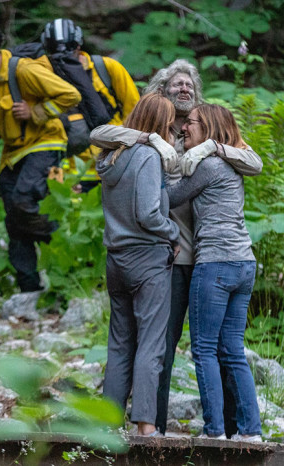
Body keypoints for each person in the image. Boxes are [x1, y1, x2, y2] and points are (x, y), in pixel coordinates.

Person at [90, 59, 262, 435]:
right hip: (167, 253)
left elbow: (253, 160)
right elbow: (100, 133)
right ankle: (157, 424)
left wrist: (211, 148)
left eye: (189, 84)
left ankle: (233, 428)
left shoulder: (204, 133)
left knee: (214, 346)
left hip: (204, 256)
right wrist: (150, 138)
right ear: (161, 92)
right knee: (162, 345)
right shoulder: (152, 135)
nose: (184, 89)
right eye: (176, 84)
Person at [0, 19, 81, 293]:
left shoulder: (24, 70)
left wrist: (36, 112)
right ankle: (29, 288)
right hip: (12, 153)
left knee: (24, 199)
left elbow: (71, 95)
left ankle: (58, 239)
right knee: (13, 219)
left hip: (45, 142)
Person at [166, 103, 262, 442]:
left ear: (207, 127)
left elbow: (170, 198)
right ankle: (251, 432)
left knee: (204, 349)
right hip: (244, 263)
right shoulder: (231, 162)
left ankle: (215, 432)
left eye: (190, 123)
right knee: (233, 349)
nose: (183, 129)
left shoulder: (207, 165)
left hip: (215, 263)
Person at [97, 92, 179, 437]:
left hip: (115, 259)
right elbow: (148, 213)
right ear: (162, 126)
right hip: (147, 259)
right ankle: (146, 425)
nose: (174, 132)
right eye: (172, 125)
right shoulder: (147, 157)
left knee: (119, 343)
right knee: (151, 343)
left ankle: (107, 423)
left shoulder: (111, 157)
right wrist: (172, 231)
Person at [41, 18, 140, 192]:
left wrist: (124, 157)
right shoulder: (42, 77)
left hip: (110, 165)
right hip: (67, 173)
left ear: (79, 46)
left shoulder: (106, 68)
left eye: (69, 49)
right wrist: (56, 184)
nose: (62, 57)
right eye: (54, 52)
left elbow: (136, 113)